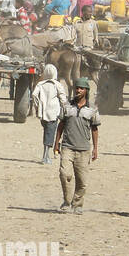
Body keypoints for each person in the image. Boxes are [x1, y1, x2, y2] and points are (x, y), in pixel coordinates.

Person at [53, 78, 99, 213]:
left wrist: (95, 149)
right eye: (77, 88)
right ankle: (66, 202)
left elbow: (95, 129)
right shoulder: (67, 107)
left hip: (84, 149)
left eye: (81, 88)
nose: (78, 90)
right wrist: (56, 143)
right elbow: (60, 125)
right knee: (64, 173)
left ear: (86, 91)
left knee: (82, 181)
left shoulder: (92, 110)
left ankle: (77, 204)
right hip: (67, 147)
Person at [33, 63, 68, 165]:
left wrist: (38, 106)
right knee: (50, 133)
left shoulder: (40, 84)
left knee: (46, 132)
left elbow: (34, 94)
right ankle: (45, 156)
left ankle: (46, 155)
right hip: (53, 113)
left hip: (43, 113)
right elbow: (63, 99)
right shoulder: (57, 85)